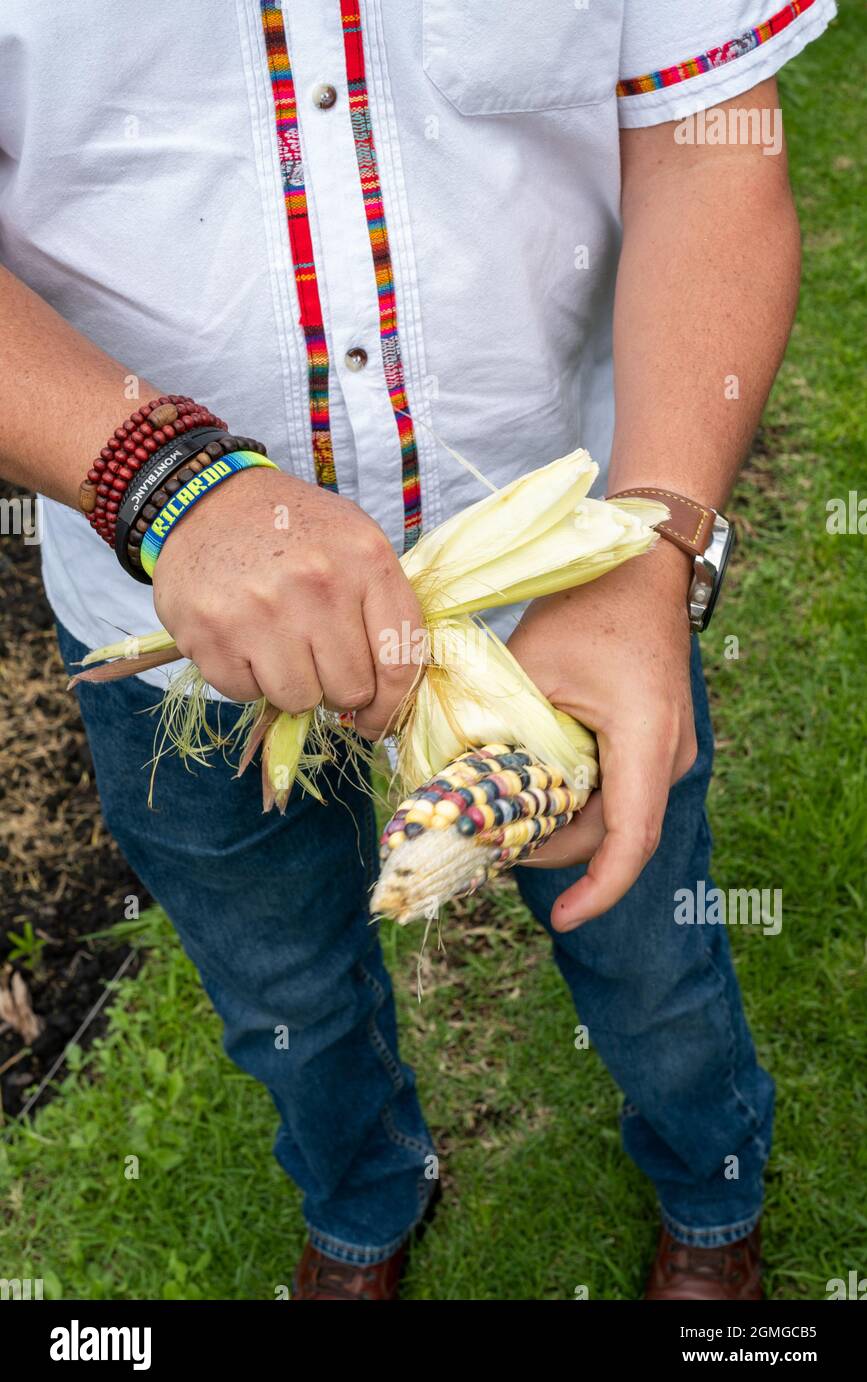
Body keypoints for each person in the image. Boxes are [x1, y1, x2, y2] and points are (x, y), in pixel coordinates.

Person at [0, 1, 836, 1300]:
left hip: (557, 584)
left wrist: (655, 538)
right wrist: (155, 479)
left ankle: (710, 1183)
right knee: (286, 985)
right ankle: (366, 1199)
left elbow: (709, 136)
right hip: (169, 627)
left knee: (649, 950)